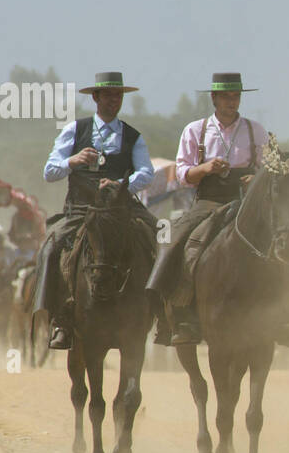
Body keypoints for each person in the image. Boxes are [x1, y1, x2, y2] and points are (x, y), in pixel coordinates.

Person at [33, 71, 156, 349]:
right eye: (109, 94)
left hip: (121, 212)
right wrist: (73, 160)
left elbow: (147, 173)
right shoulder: (74, 130)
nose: (114, 100)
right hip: (80, 210)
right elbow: (49, 172)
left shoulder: (133, 136)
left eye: (119, 95)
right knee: (51, 248)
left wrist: (121, 185)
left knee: (159, 237)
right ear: (96, 97)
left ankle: (162, 312)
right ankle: (59, 319)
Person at [145, 72, 267, 345]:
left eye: (235, 96)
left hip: (247, 203)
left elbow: (266, 169)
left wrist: (254, 179)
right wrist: (206, 168)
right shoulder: (195, 130)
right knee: (175, 242)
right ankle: (173, 311)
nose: (231, 101)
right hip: (208, 203)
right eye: (226, 96)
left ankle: (286, 313)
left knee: (281, 239)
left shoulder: (255, 130)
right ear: (214, 98)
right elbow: (180, 174)